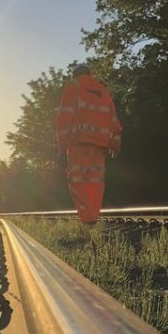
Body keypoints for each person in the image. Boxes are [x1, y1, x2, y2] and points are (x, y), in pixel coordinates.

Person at [55, 63, 122, 224]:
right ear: (89, 74)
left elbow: (64, 117)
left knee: (78, 181)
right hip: (99, 146)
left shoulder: (74, 86)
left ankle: (88, 220)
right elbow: (113, 120)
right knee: (95, 182)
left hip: (79, 142)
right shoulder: (102, 90)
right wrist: (115, 143)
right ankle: (92, 217)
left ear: (75, 74)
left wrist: (61, 146)